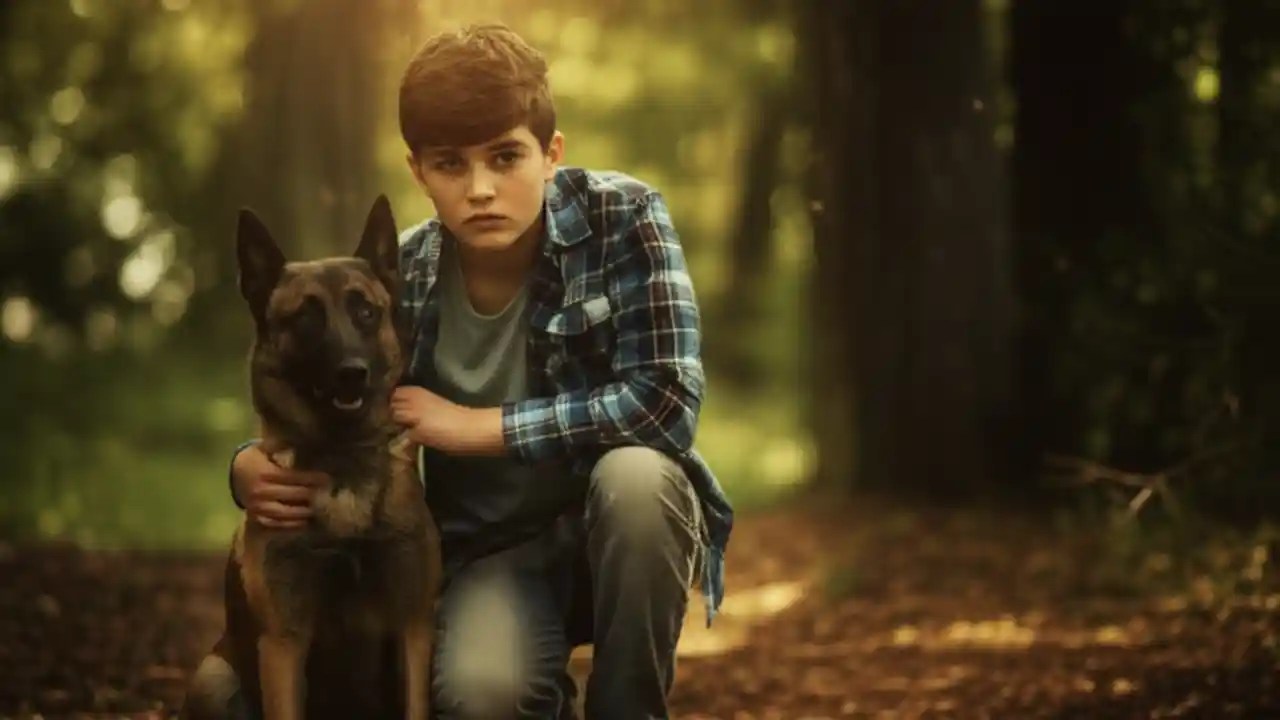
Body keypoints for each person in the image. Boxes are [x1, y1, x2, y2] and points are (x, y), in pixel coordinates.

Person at [222, 23, 732, 719]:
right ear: (418, 172)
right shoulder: (402, 277)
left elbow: (666, 402)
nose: (481, 188)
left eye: (505, 156)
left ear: (551, 154)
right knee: (479, 697)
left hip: (614, 531)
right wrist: (247, 464)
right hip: (492, 556)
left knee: (639, 479)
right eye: (451, 165)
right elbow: (342, 388)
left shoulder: (624, 218)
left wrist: (479, 428)